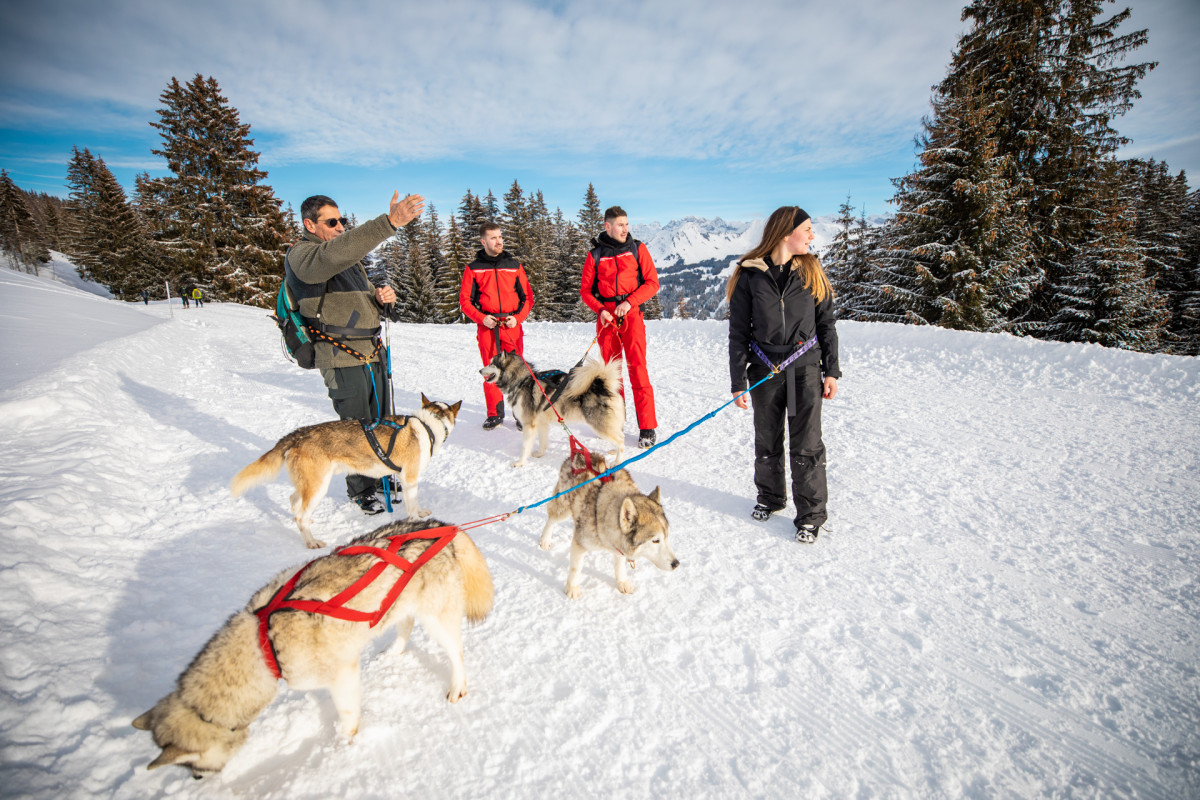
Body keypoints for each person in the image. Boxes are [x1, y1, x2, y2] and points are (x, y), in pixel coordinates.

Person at [286, 190, 425, 514]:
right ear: (309, 224)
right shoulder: (304, 256)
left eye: (343, 220)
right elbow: (333, 255)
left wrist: (379, 300)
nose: (340, 227)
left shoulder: (348, 262)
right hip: (340, 356)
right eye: (331, 221)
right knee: (355, 428)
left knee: (382, 421)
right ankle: (360, 489)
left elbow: (356, 300)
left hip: (370, 352)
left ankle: (379, 474)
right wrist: (388, 223)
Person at [727, 206, 840, 543]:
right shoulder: (750, 275)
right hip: (765, 368)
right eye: (807, 228)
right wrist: (737, 382)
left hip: (805, 368)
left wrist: (831, 370)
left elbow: (826, 324)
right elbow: (738, 333)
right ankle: (770, 497)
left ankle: (810, 515)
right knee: (767, 439)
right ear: (785, 232)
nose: (812, 235)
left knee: (806, 445)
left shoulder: (811, 270)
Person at [580, 206, 660, 448]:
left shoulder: (637, 249)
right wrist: (601, 310)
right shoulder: (595, 254)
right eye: (620, 225)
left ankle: (647, 427)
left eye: (627, 224)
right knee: (611, 376)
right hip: (606, 320)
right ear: (608, 226)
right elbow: (585, 291)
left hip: (632, 316)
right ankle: (617, 421)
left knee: (638, 369)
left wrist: (629, 302)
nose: (626, 229)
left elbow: (652, 283)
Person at [459, 221, 534, 429]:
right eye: (493, 238)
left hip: (511, 325)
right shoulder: (473, 269)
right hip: (487, 327)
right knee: (492, 371)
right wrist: (481, 317)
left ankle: (520, 413)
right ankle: (494, 414)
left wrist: (517, 318)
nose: (499, 241)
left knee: (517, 371)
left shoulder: (514, 266)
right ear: (484, 241)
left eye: (500, 237)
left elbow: (528, 298)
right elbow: (465, 301)